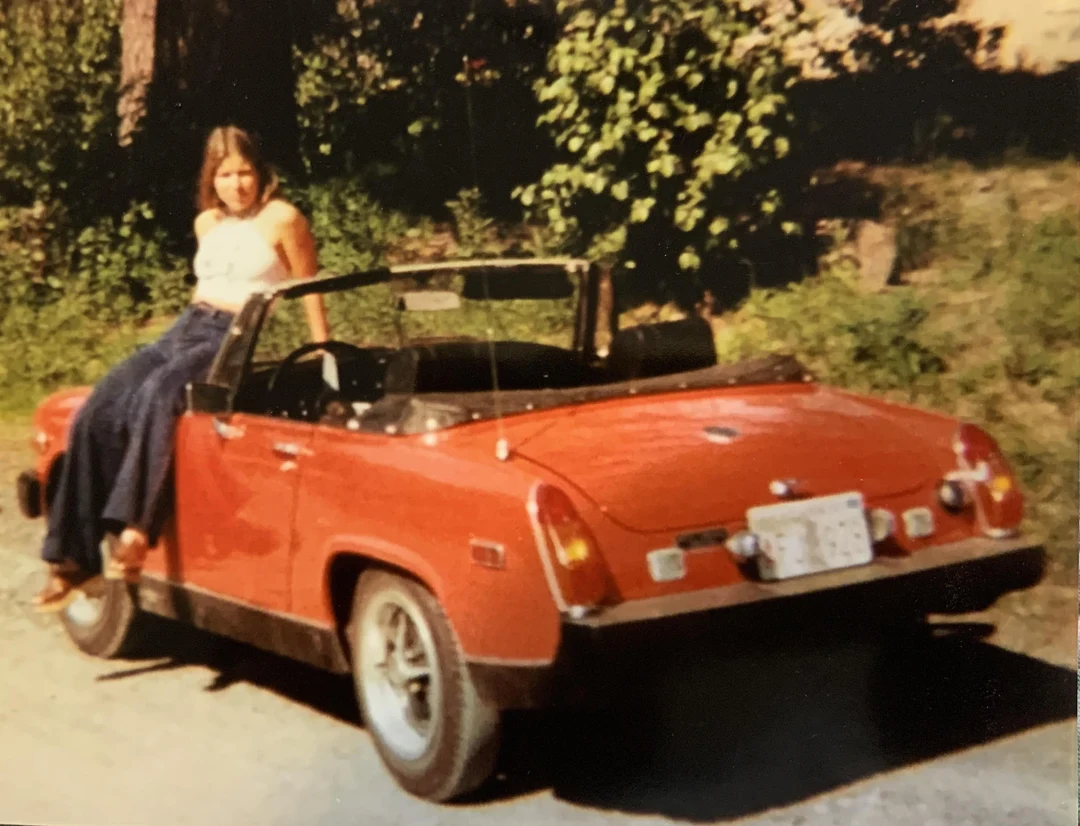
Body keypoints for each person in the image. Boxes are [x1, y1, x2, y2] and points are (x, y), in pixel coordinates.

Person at [33, 125, 329, 611]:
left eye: (245, 173)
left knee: (159, 395)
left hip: (234, 333)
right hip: (188, 325)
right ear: (211, 179)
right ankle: (71, 561)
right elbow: (206, 284)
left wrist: (323, 350)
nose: (237, 184)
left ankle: (135, 532)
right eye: (225, 175)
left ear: (261, 173)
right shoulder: (207, 223)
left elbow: (308, 286)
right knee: (99, 405)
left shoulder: (282, 218)